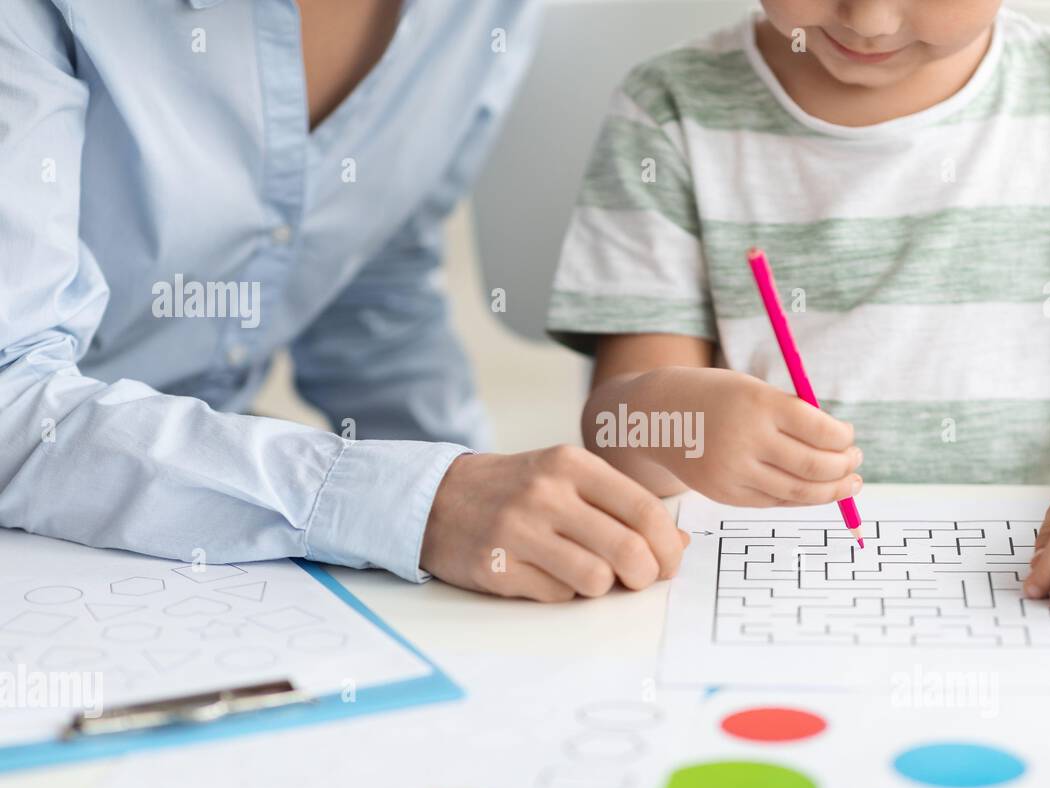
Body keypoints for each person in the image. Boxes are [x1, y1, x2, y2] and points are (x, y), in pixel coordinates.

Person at [547, 0, 1050, 614]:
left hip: (1008, 584)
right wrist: (683, 423)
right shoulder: (669, 109)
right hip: (750, 589)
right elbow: (617, 425)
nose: (869, 18)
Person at [0, 0, 686, 603]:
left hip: (219, 547)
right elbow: (12, 400)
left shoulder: (481, 13)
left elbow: (373, 284)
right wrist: (422, 502)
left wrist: (487, 501)